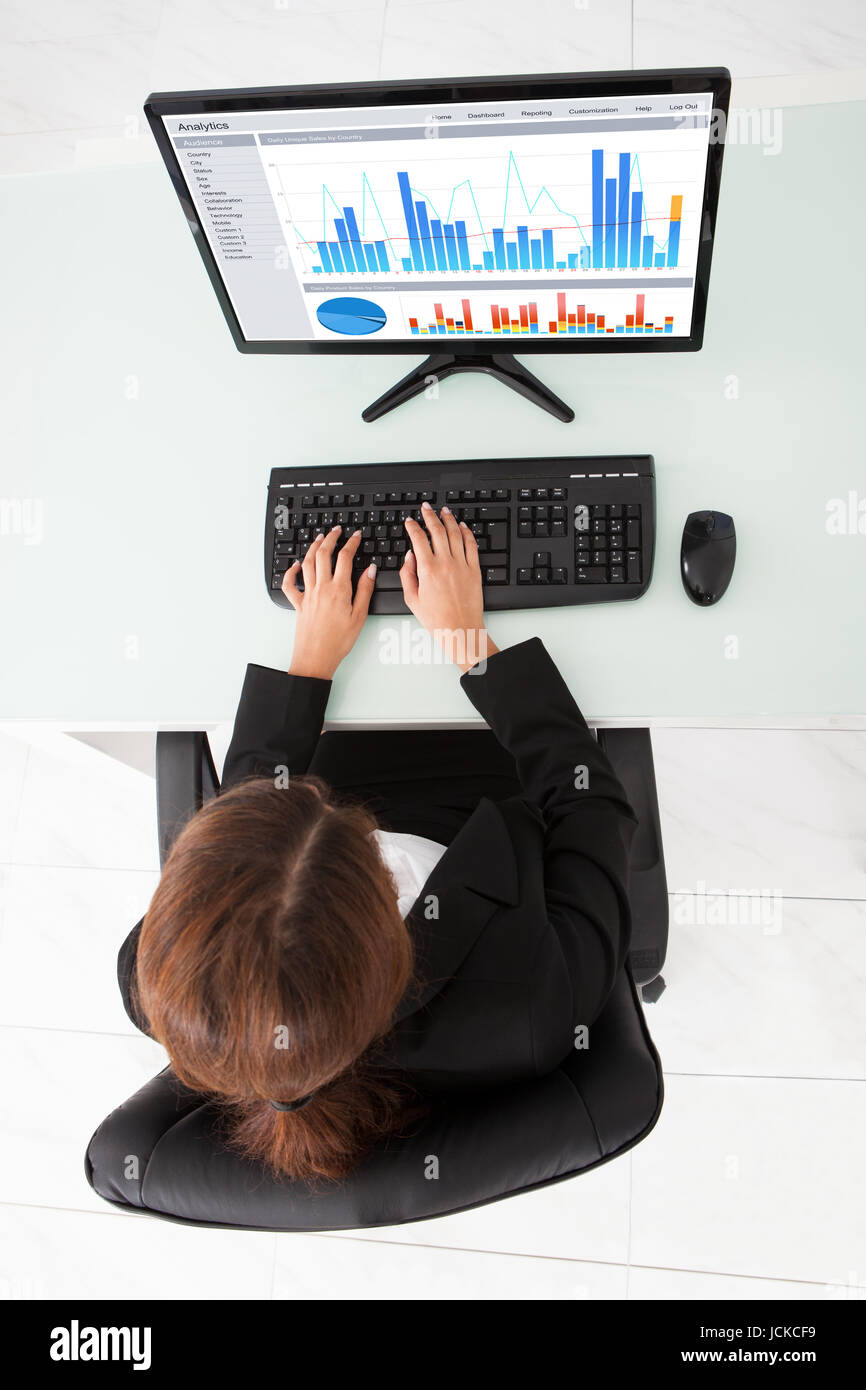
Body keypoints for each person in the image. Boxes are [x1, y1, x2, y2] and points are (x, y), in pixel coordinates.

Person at [118, 504, 636, 1183]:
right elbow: (590, 801)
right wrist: (471, 645)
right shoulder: (530, 1001)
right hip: (490, 790)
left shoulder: (159, 986)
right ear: (387, 899)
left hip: (344, 743)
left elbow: (242, 844)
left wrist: (308, 668)